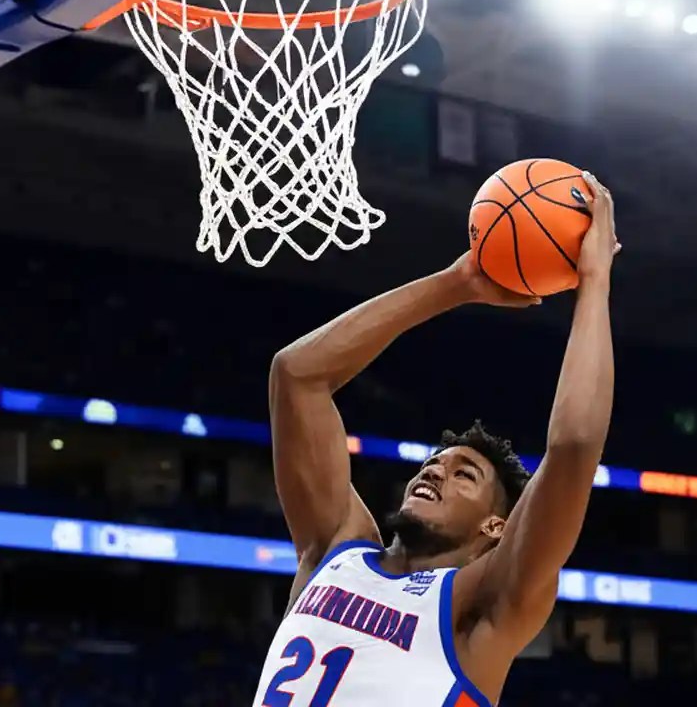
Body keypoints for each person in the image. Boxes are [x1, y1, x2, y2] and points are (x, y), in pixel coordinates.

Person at [254, 173, 619, 707]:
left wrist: (594, 281)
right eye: (435, 463)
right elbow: (296, 377)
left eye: (463, 474)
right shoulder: (335, 550)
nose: (434, 471)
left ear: (496, 525)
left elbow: (575, 446)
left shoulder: (481, 607)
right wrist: (458, 283)